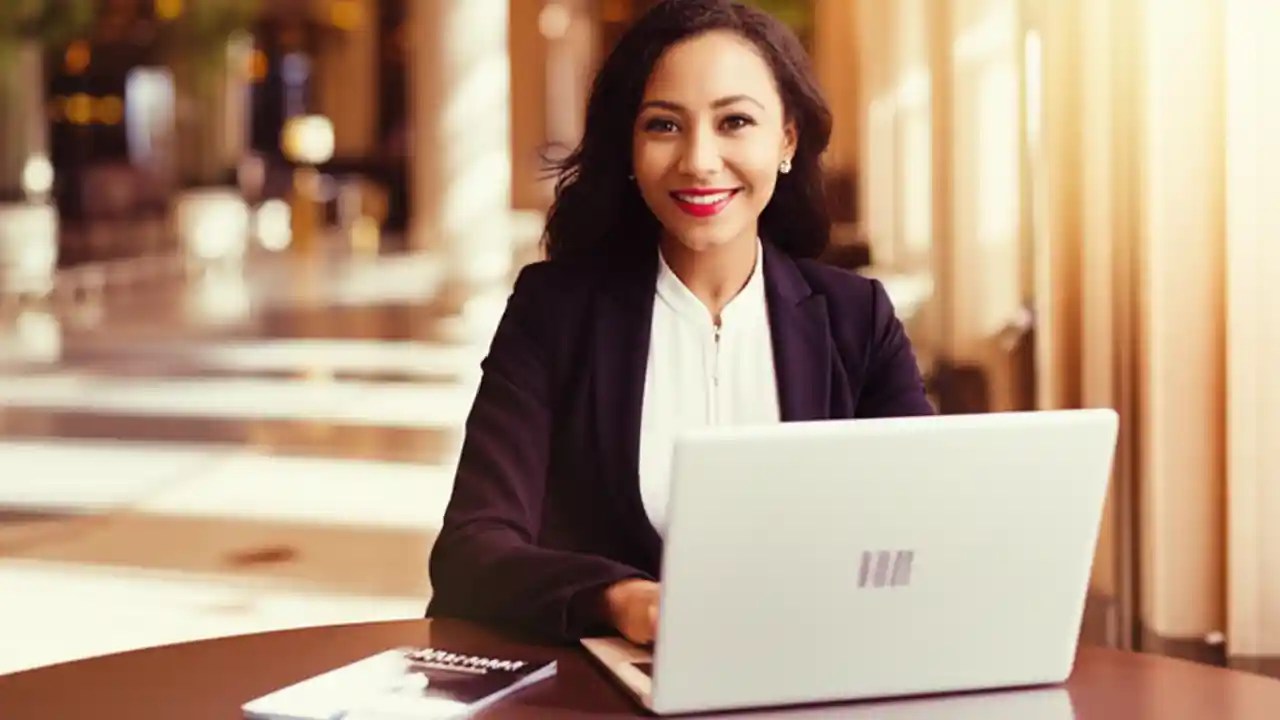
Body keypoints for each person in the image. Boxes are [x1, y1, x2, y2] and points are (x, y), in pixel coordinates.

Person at [426, 0, 935, 646]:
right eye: (664, 125)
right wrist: (620, 599)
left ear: (786, 140)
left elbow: (924, 532)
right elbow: (471, 554)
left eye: (735, 122)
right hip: (602, 699)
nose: (699, 160)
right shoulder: (554, 313)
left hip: (816, 680)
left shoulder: (857, 320)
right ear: (631, 148)